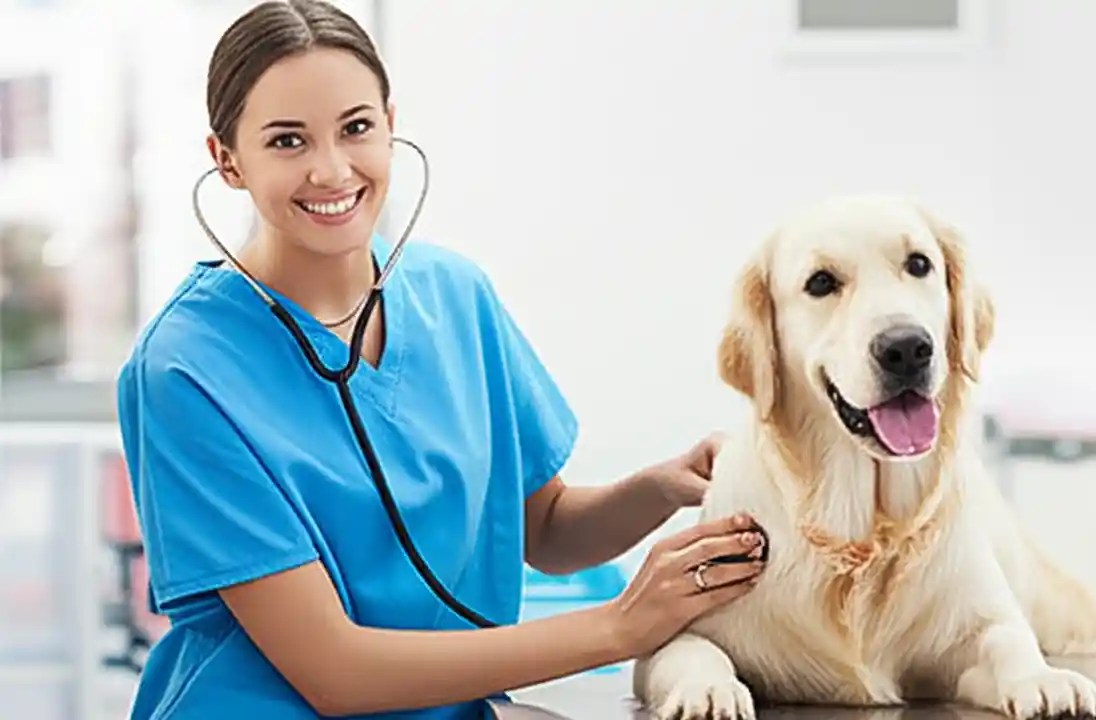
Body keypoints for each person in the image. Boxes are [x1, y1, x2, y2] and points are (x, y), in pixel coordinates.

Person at [113, 1, 766, 718]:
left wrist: (661, 487)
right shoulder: (182, 370)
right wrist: (618, 627)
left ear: (391, 124)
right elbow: (335, 673)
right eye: (287, 141)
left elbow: (543, 531)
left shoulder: (455, 296)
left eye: (356, 128)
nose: (331, 170)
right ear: (227, 160)